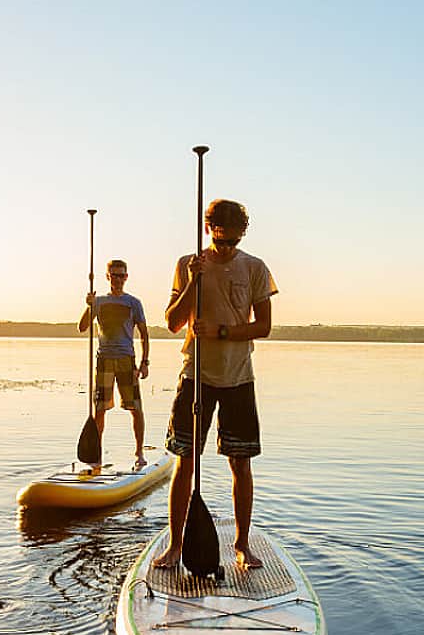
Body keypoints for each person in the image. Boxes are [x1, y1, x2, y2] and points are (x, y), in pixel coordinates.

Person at [154, 199, 277, 570]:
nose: (225, 247)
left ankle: (241, 544)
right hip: (196, 377)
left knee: (241, 464)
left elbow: (264, 326)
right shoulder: (188, 265)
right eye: (220, 238)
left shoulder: (255, 268)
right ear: (209, 230)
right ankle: (176, 545)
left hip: (238, 377)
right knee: (185, 461)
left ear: (241, 235)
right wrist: (195, 280)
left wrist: (222, 331)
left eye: (232, 241)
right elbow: (174, 322)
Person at [78, 259, 150, 469]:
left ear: (126, 277)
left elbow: (144, 334)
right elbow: (82, 327)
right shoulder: (99, 302)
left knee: (135, 408)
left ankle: (139, 452)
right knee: (99, 409)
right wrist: (88, 306)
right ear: (108, 277)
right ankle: (97, 455)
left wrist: (145, 362)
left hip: (127, 360)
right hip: (104, 361)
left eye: (122, 275)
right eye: (114, 275)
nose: (118, 279)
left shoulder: (133, 303)